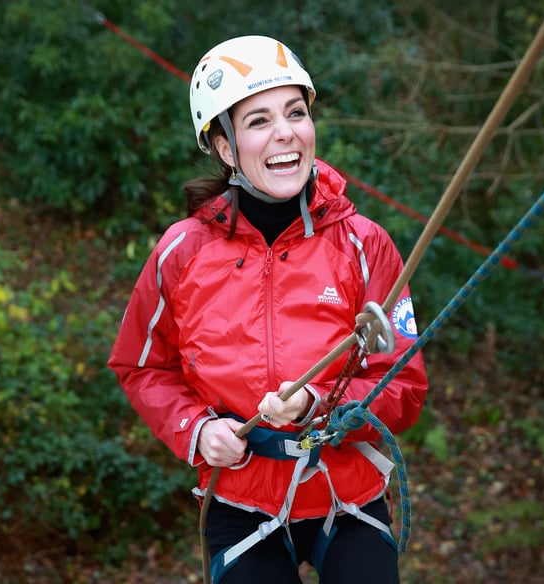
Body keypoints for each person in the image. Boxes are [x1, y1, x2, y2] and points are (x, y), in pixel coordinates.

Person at [108, 35, 428, 584]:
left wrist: (316, 406)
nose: (285, 133)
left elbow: (403, 387)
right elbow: (141, 367)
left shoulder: (365, 244)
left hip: (345, 494)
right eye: (258, 121)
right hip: (238, 498)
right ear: (226, 148)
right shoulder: (180, 254)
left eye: (296, 113)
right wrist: (195, 429)